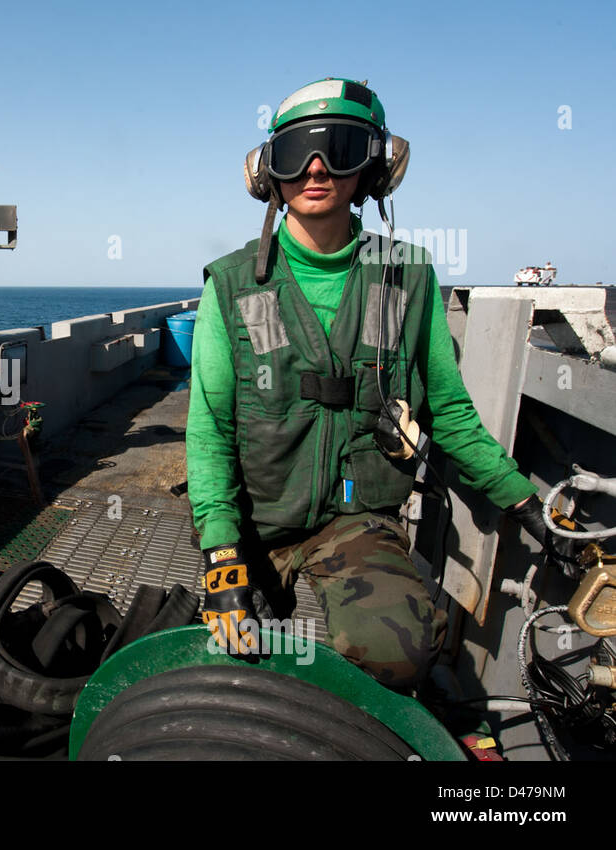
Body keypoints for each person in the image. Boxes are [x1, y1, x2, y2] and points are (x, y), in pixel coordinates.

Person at [185, 78, 558, 691]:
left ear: (376, 168)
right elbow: (208, 430)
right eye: (295, 152)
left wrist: (528, 505)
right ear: (266, 172)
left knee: (400, 652)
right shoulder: (230, 284)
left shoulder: (409, 276)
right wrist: (222, 561)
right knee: (207, 663)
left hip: (352, 522)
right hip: (250, 518)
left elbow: (452, 413)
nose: (316, 168)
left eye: (340, 147)